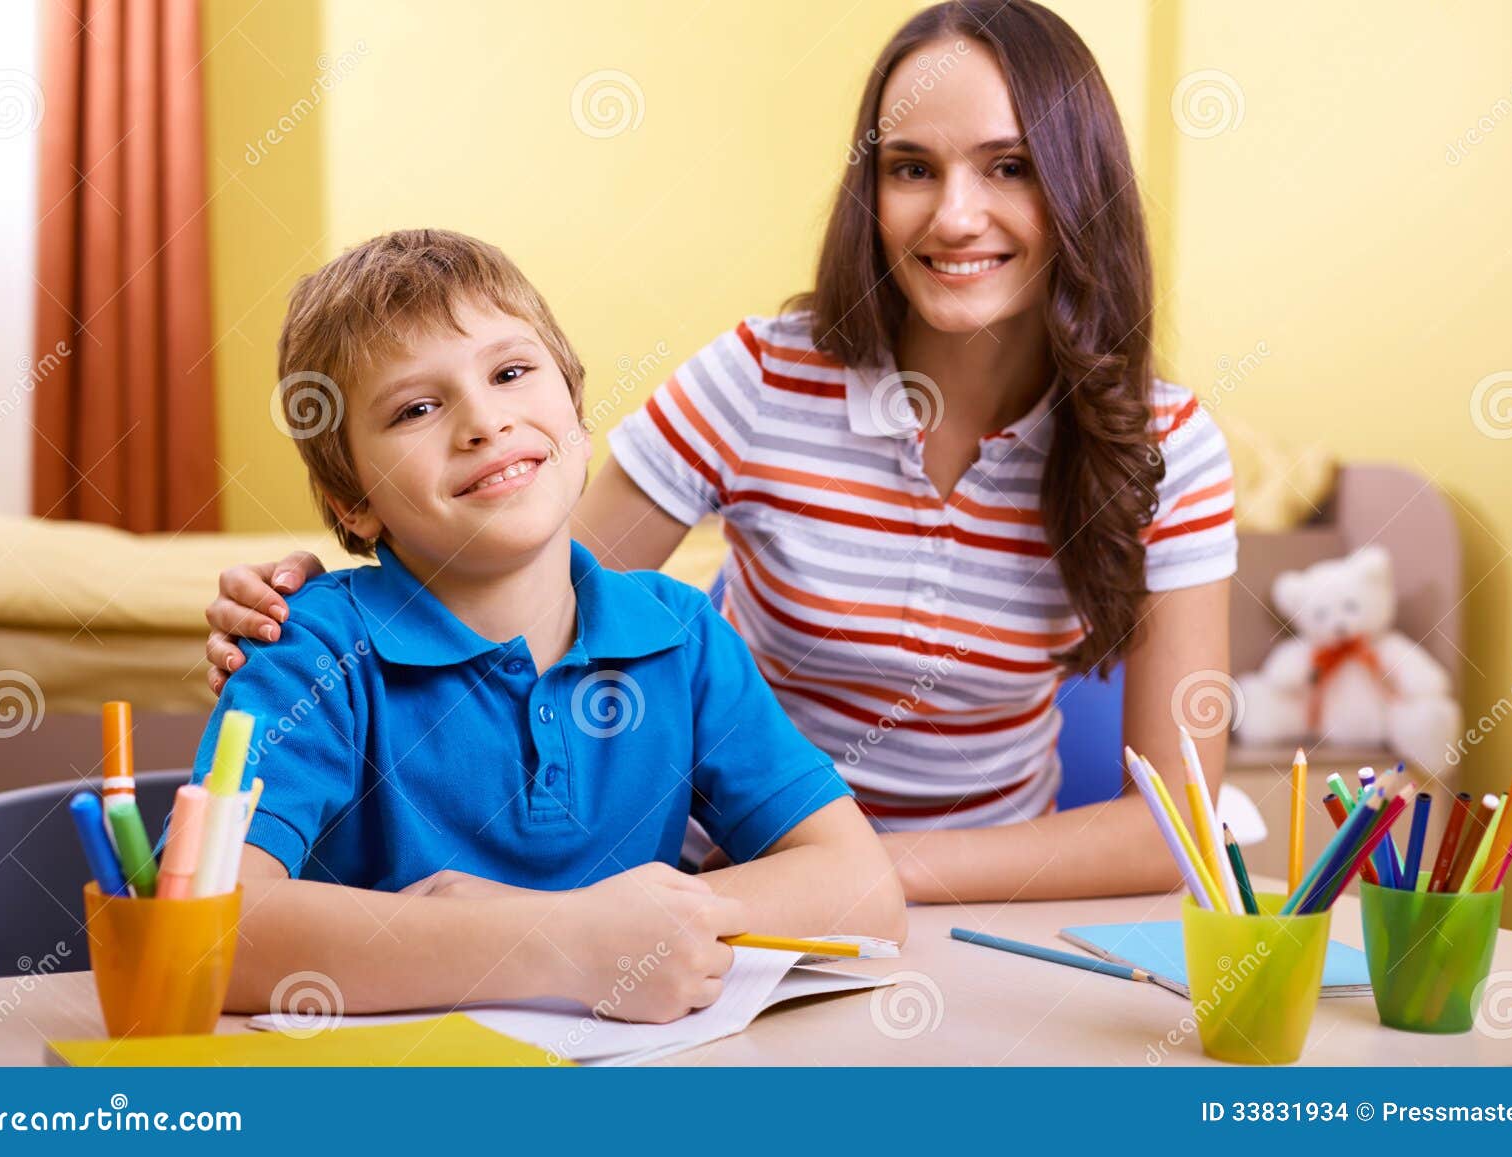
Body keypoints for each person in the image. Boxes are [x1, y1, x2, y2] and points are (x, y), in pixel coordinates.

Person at [203, 1, 1236, 907]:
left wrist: (856, 870)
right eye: (909, 169)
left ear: (1079, 183)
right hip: (716, 897)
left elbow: (1168, 826)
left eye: (1008, 166)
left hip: (938, 903)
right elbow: (532, 585)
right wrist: (326, 608)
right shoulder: (755, 377)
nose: (954, 214)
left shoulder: (1168, 444)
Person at [184, 229, 905, 1021]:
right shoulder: (311, 653)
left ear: (579, 412)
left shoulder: (682, 637)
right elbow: (203, 932)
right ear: (353, 501)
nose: (484, 421)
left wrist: (646, 932)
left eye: (511, 372)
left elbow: (862, 887)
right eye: (417, 407)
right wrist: (561, 943)